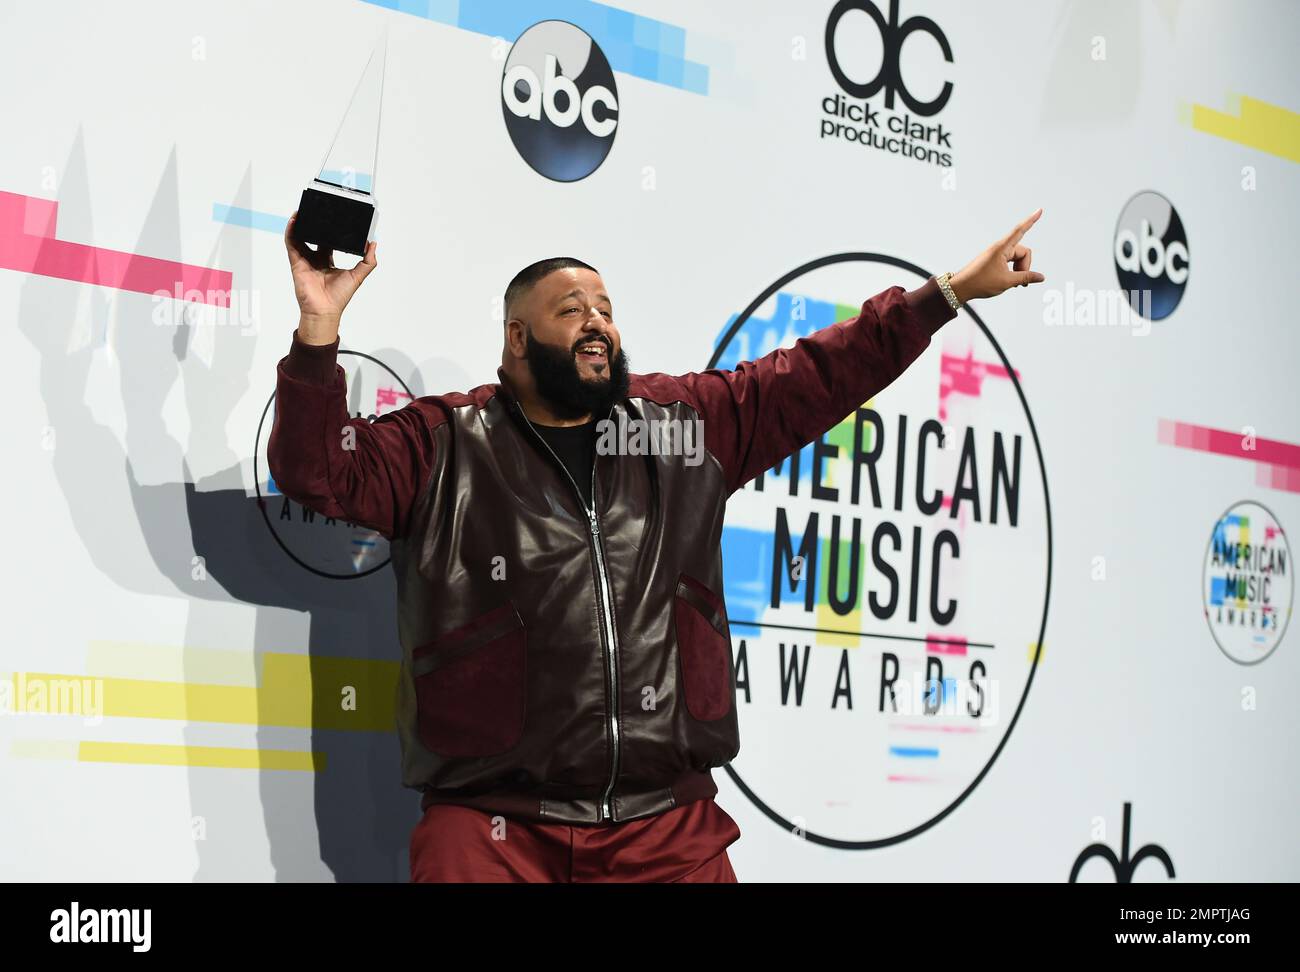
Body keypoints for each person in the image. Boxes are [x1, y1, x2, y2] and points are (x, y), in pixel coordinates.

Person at [269, 209, 1046, 883]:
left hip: (666, 830)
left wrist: (946, 296)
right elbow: (318, 474)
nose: (599, 321)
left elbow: (818, 376)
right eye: (572, 309)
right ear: (516, 337)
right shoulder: (446, 443)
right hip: (494, 833)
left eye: (606, 307)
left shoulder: (685, 428)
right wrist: (318, 334)